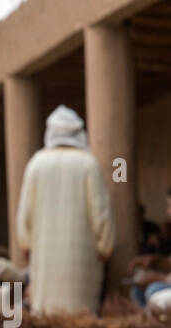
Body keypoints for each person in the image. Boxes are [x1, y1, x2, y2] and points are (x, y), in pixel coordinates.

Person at [16, 106, 114, 314]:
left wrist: (26, 245)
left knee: (46, 317)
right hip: (83, 257)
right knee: (81, 319)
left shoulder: (36, 164)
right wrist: (105, 248)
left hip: (44, 257)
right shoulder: (89, 164)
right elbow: (101, 214)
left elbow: (25, 214)